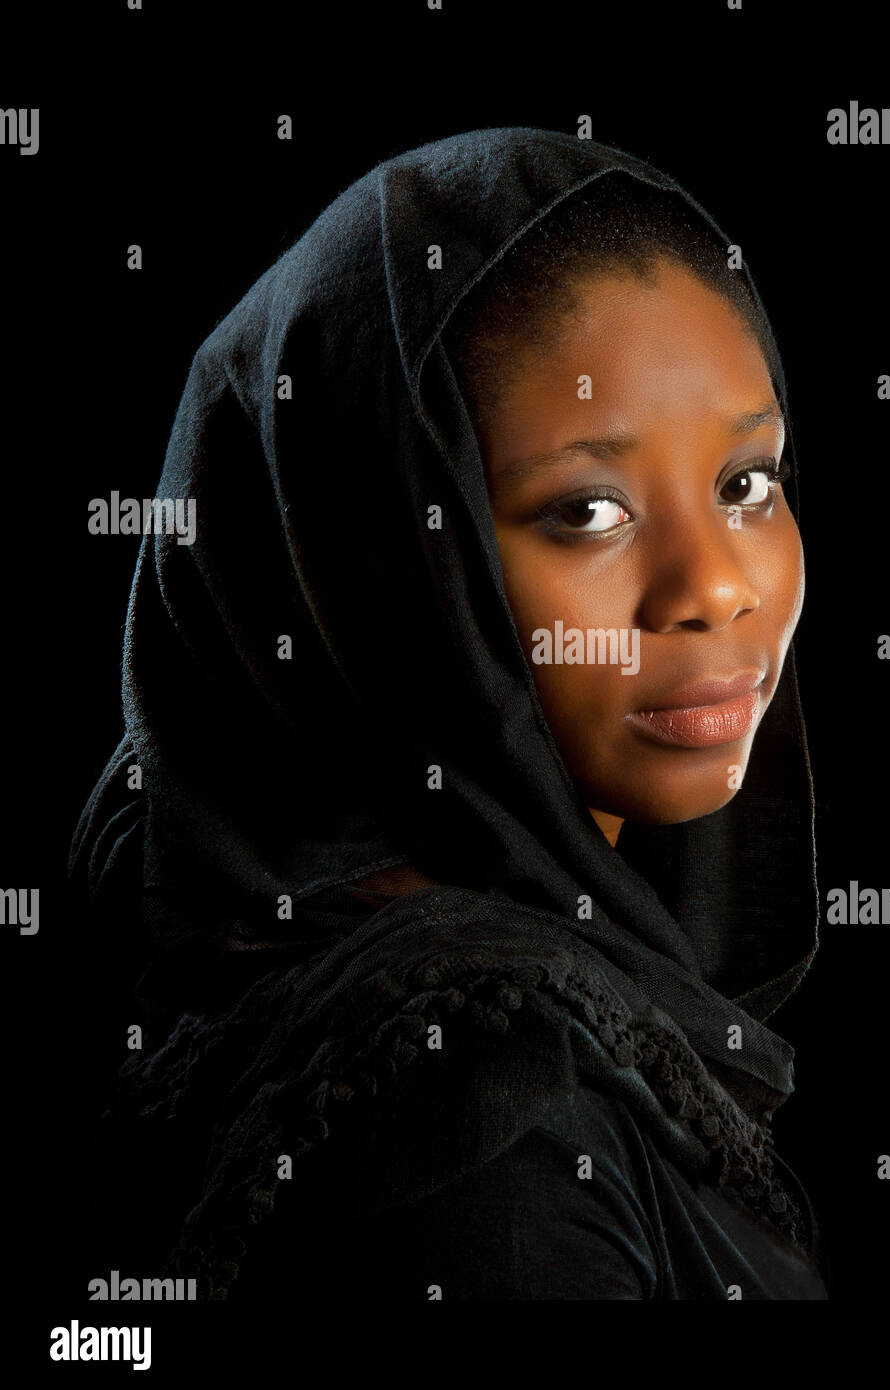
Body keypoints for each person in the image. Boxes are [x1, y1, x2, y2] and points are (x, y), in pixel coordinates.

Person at [69, 126, 827, 1301]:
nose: (715, 586)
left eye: (747, 483)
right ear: (376, 571)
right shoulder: (487, 1117)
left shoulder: (363, 964)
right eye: (585, 508)